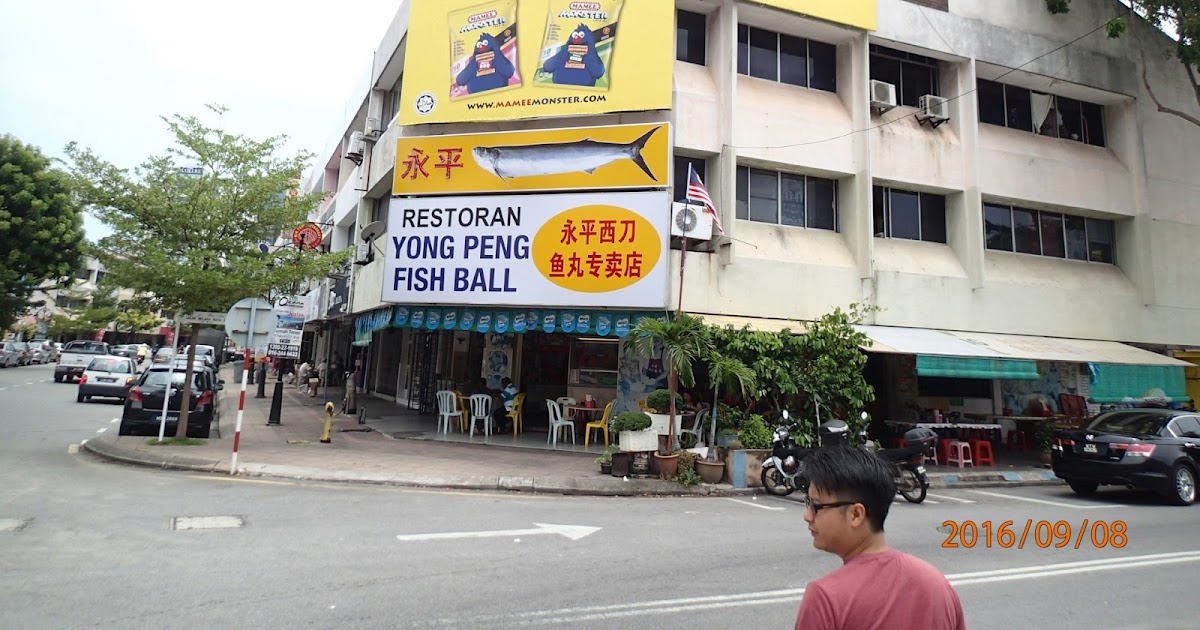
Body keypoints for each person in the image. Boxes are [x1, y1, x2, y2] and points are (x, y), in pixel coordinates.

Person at [795, 446, 966, 630]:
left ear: (856, 514)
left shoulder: (825, 597)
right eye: (808, 503)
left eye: (816, 506)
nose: (807, 515)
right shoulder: (937, 584)